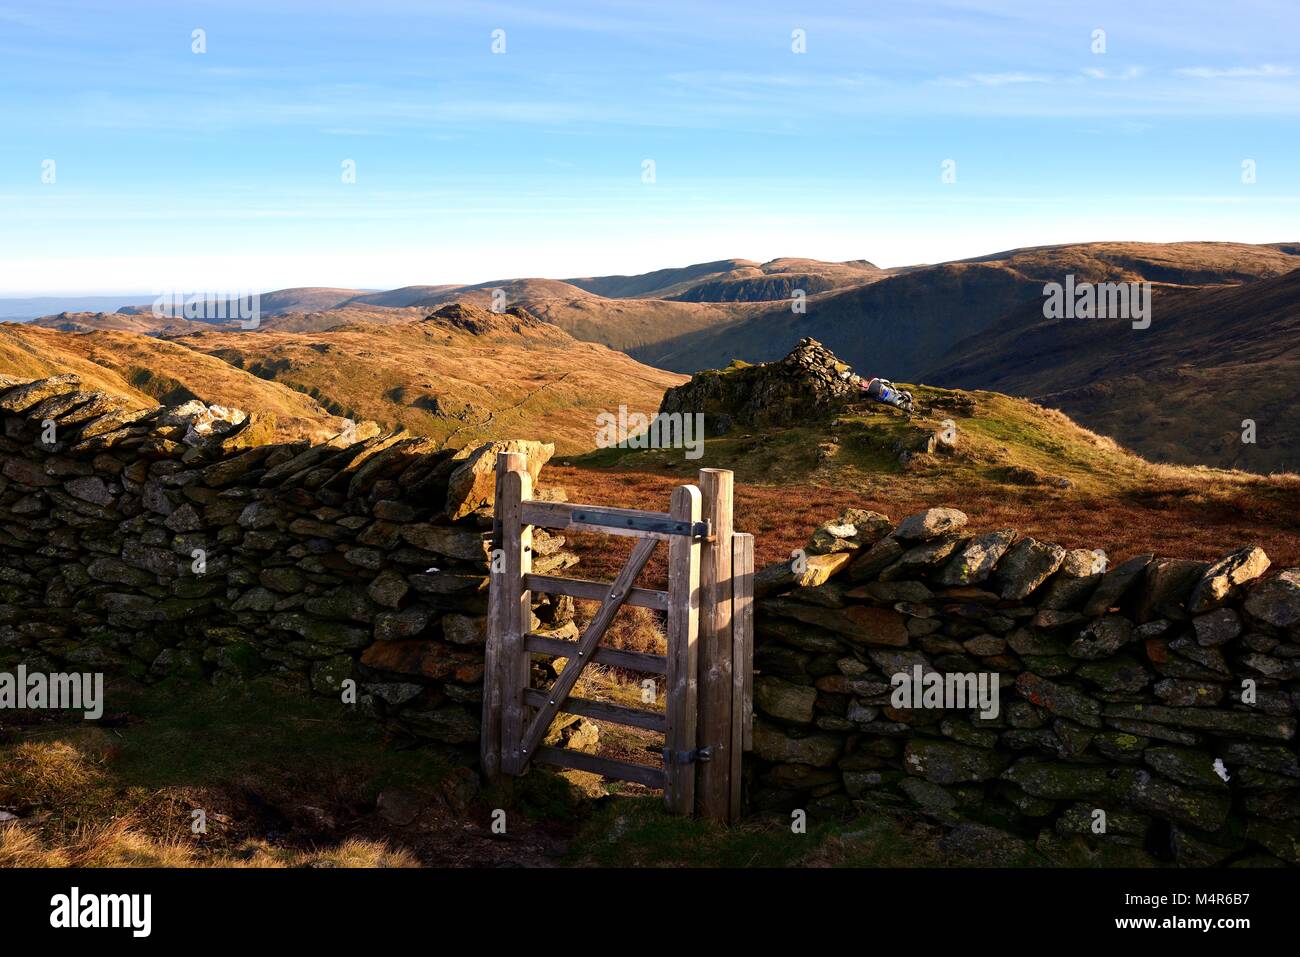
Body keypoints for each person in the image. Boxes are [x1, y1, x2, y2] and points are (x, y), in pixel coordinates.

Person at [840, 370, 916, 413]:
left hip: (885, 394)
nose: (861, 383)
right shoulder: (873, 385)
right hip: (884, 394)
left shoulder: (873, 384)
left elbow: (886, 383)